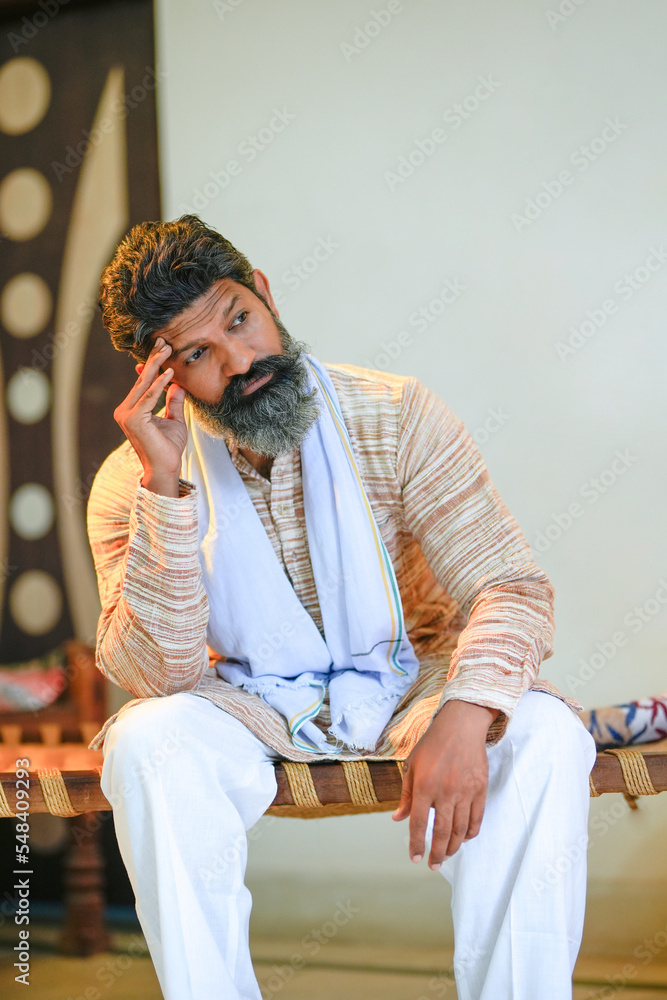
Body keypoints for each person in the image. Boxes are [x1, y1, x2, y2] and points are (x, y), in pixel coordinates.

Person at [88, 215, 596, 1000]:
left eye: (239, 321)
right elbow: (161, 675)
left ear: (264, 292)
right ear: (158, 374)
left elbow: (510, 586)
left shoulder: (395, 415)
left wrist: (465, 713)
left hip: (417, 683)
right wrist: (166, 490)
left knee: (545, 735)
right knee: (145, 740)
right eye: (197, 354)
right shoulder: (133, 482)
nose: (240, 361)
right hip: (247, 705)